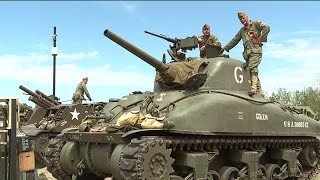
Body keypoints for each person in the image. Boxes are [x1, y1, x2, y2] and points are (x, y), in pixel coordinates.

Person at [221, 12, 270, 97]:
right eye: (240, 19)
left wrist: (261, 40)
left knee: (252, 67)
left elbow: (267, 27)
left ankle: (254, 88)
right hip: (248, 54)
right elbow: (235, 40)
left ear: (247, 17)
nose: (242, 20)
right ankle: (260, 92)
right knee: (251, 69)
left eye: (243, 18)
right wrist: (225, 48)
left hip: (256, 51)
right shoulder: (242, 31)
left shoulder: (255, 23)